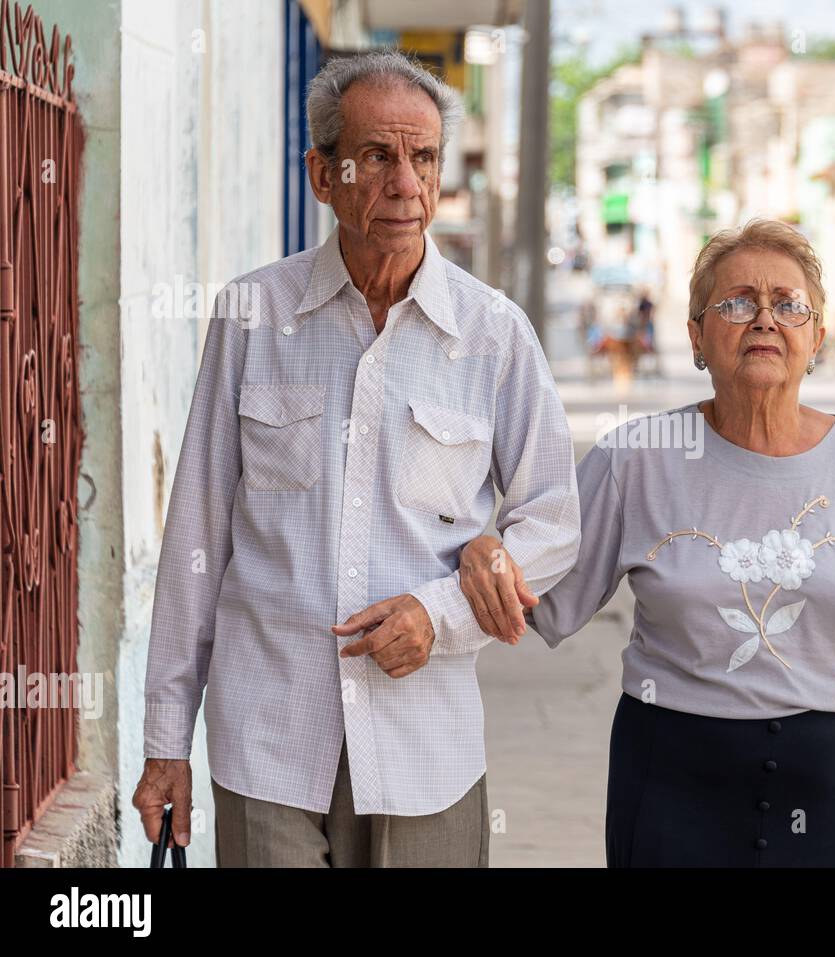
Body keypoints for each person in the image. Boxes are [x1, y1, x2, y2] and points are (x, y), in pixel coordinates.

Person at [131, 51, 581, 867]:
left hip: (425, 748)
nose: (406, 183)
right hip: (269, 742)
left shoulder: (494, 335)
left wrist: (442, 610)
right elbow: (194, 542)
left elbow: (554, 521)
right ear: (321, 174)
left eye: (425, 157)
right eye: (377, 156)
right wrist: (167, 741)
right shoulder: (251, 317)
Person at [458, 218, 835, 867]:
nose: (765, 319)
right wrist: (482, 553)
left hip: (832, 796)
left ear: (817, 338)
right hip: (672, 788)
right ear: (696, 337)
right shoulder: (636, 460)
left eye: (789, 304)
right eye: (738, 302)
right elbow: (533, 592)